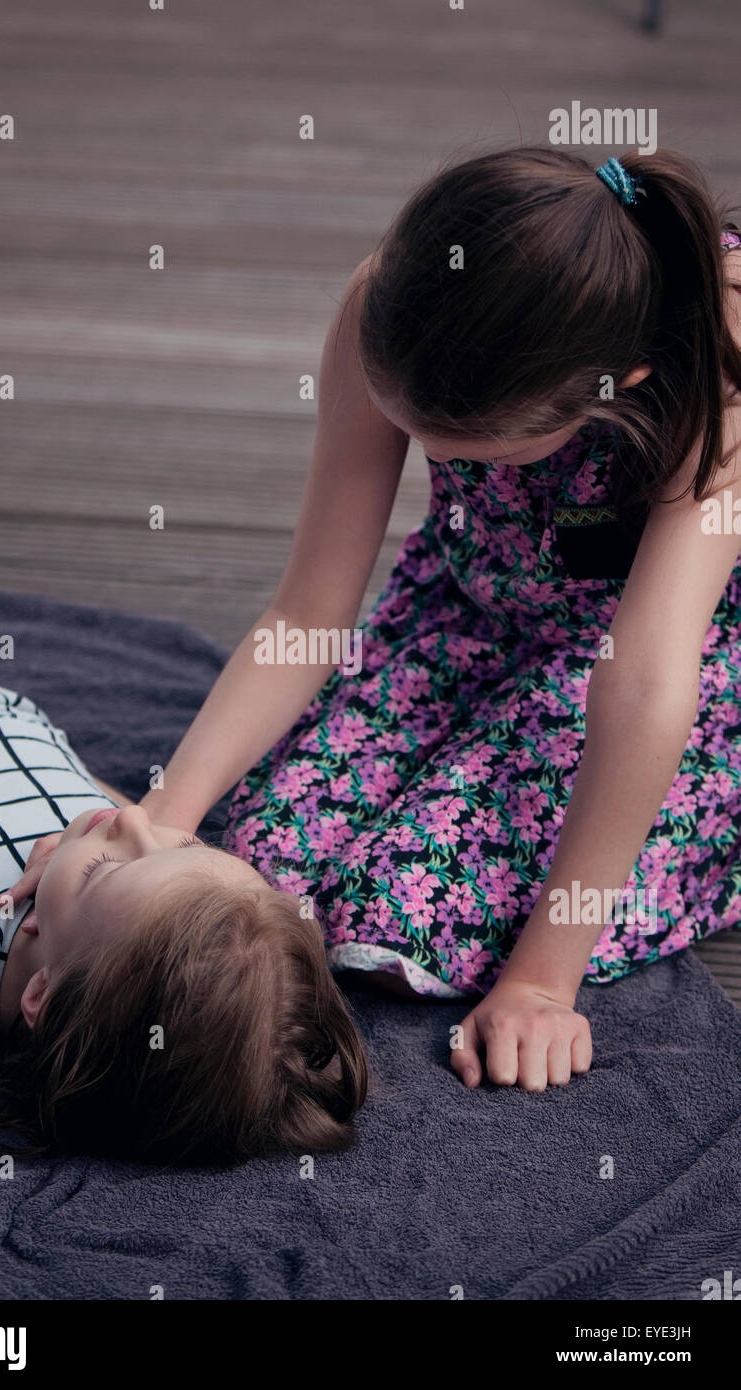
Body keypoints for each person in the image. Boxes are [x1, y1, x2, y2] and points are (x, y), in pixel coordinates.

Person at [136, 147, 741, 1094]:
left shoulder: (714, 377)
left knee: (414, 911)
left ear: (611, 388)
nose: (421, 452)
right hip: (471, 600)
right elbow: (310, 606)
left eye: (465, 449)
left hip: (670, 654)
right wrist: (164, 813)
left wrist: (544, 980)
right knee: (267, 856)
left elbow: (647, 677)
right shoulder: (395, 309)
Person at [0, 620, 368, 1163]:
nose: (135, 817)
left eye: (105, 871)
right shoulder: (103, 858)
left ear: (42, 993)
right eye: (186, 844)